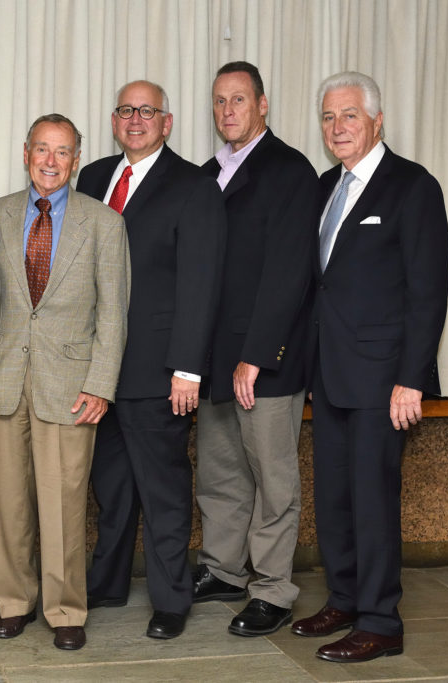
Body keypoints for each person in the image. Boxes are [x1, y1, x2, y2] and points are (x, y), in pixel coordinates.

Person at [291, 71, 448, 663]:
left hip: (385, 380)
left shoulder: (412, 186)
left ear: (377, 121)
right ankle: (346, 598)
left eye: (349, 115)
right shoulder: (327, 185)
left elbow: (428, 291)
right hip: (329, 373)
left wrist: (411, 377)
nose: (338, 127)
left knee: (374, 497)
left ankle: (382, 621)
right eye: (329, 117)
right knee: (335, 496)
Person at [0, 113, 130, 651]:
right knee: (8, 499)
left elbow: (113, 313)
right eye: (42, 149)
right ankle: (13, 603)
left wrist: (101, 384)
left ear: (76, 160)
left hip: (70, 385)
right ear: (25, 152)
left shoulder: (103, 222)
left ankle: (65, 610)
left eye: (63, 152)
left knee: (63, 502)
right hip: (4, 377)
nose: (51, 161)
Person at [77, 81, 226, 639]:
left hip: (157, 369)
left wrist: (188, 368)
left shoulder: (194, 185)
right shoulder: (92, 178)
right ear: (114, 120)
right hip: (96, 369)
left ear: (166, 122)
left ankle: (171, 598)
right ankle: (109, 582)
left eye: (148, 111)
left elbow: (201, 282)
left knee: (163, 491)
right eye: (125, 110)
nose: (135, 119)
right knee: (110, 484)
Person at [193, 61, 320, 637]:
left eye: (238, 100)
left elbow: (290, 272)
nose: (228, 111)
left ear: (263, 105)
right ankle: (223, 569)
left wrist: (258, 352)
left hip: (264, 360)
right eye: (220, 101)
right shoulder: (205, 173)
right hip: (213, 358)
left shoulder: (291, 170)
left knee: (272, 478)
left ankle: (272, 589)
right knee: (220, 472)